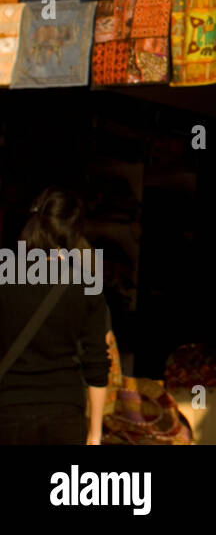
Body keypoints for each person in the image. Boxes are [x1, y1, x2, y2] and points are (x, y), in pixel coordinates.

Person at [0, 188, 109, 445]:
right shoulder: (86, 284)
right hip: (65, 415)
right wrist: (94, 434)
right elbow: (96, 364)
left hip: (9, 412)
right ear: (75, 231)